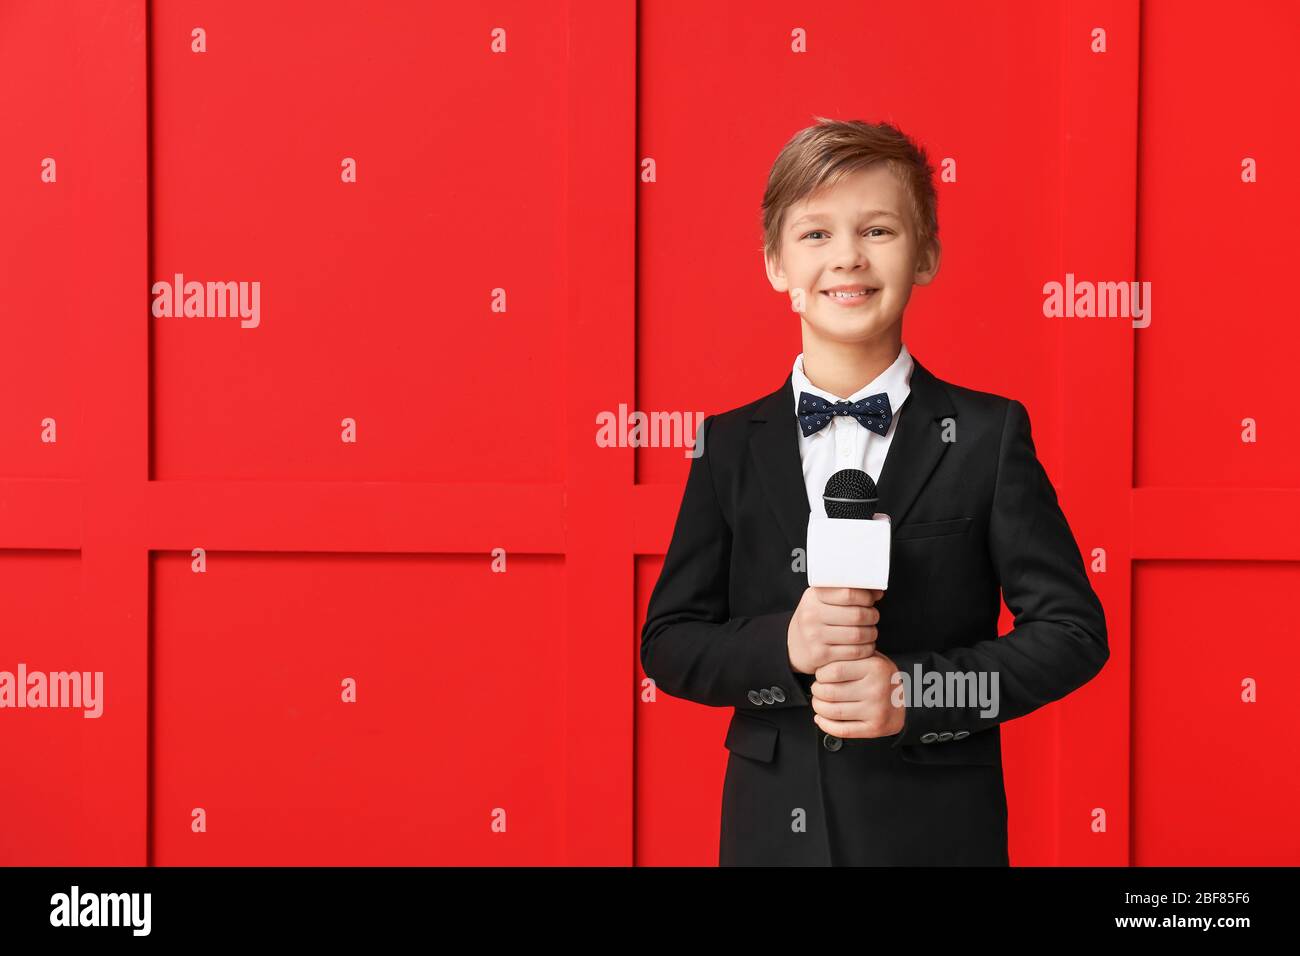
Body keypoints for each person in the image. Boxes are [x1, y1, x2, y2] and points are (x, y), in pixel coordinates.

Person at [639, 117, 1109, 866]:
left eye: (879, 230)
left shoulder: (988, 437)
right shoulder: (727, 444)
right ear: (775, 265)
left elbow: (1073, 636)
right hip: (769, 834)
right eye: (816, 235)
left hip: (938, 832)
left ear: (925, 256)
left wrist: (917, 696)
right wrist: (784, 645)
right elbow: (668, 643)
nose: (848, 257)